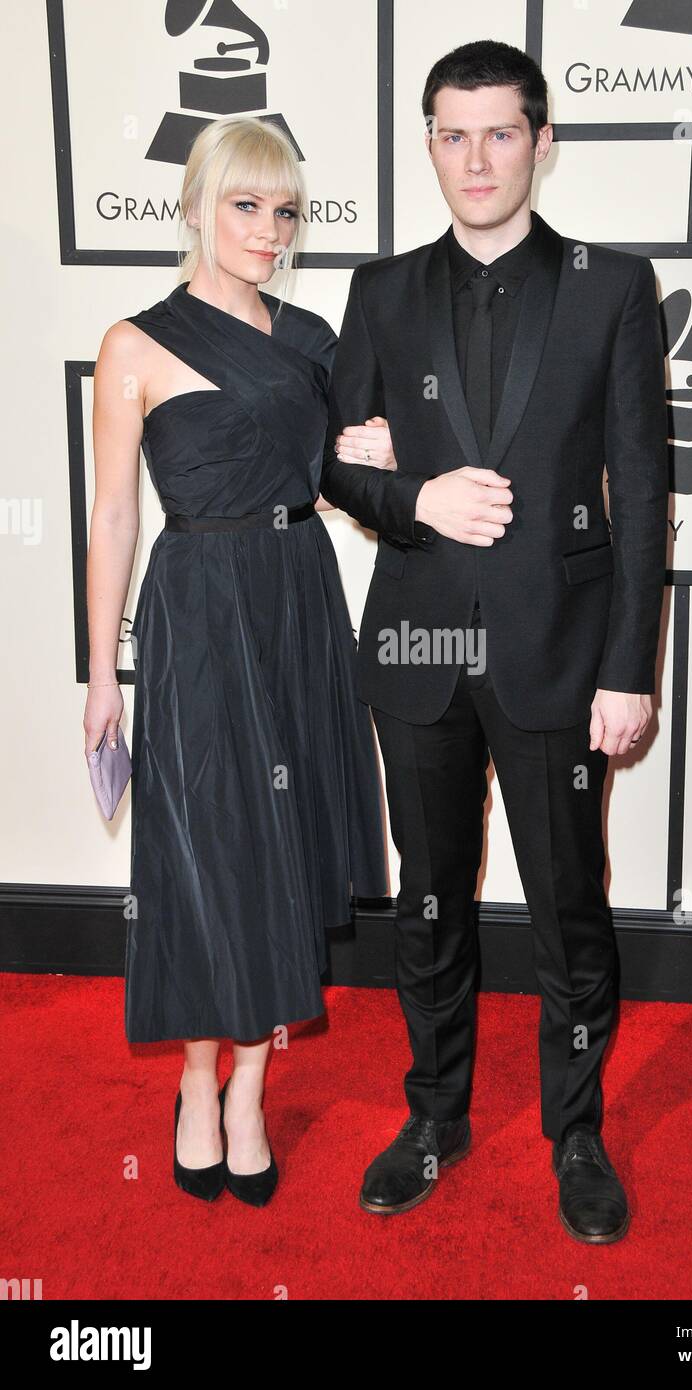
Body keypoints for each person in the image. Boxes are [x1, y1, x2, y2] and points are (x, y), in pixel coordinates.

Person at [317, 41, 669, 1243]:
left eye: (499, 132)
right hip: (414, 652)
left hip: (562, 659)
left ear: (541, 142)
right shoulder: (378, 292)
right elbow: (329, 464)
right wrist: (409, 498)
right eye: (451, 134)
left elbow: (641, 491)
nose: (475, 158)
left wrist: (630, 669)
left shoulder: (609, 287)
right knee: (428, 900)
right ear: (427, 145)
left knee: (571, 906)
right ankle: (434, 1116)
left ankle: (575, 1131)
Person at [84, 116, 393, 1207]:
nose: (271, 230)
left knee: (286, 839)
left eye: (287, 210)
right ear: (197, 207)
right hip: (197, 611)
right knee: (206, 846)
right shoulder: (134, 344)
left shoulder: (312, 338)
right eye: (247, 206)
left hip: (296, 599)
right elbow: (115, 516)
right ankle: (198, 1077)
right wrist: (98, 677)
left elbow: (325, 483)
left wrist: (364, 458)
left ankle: (253, 1087)